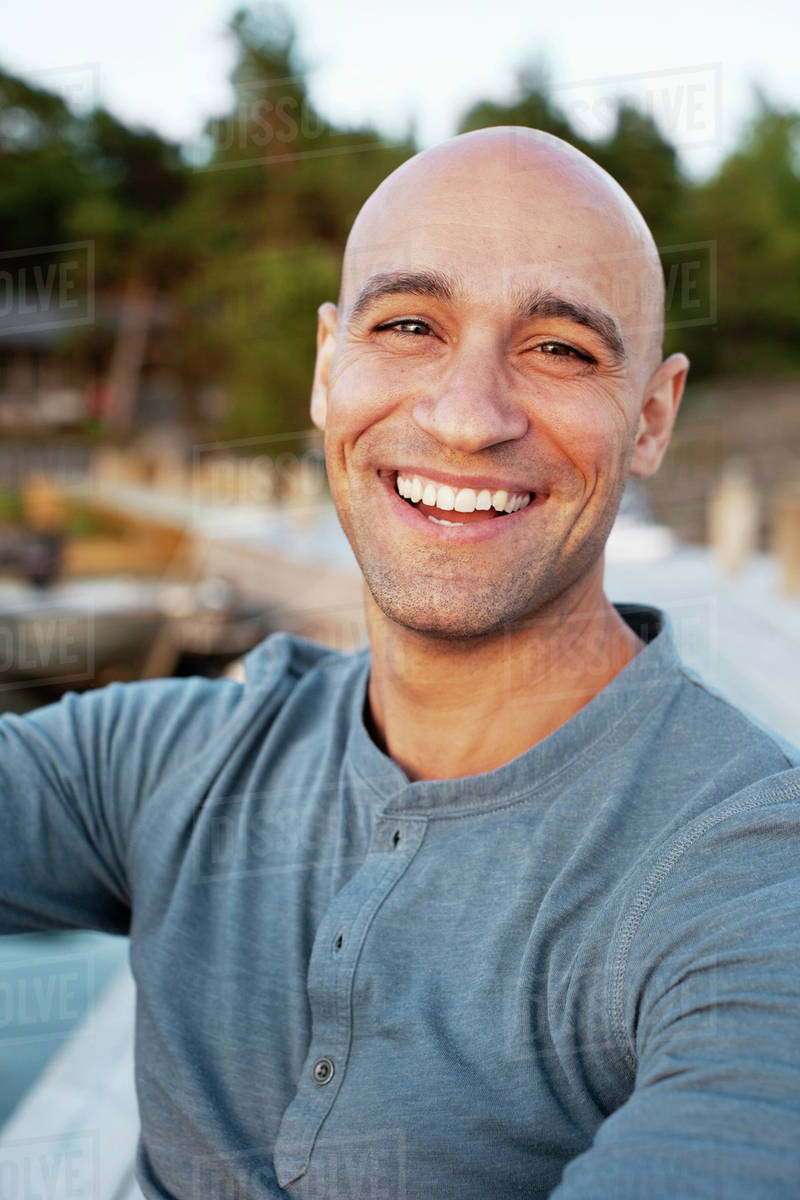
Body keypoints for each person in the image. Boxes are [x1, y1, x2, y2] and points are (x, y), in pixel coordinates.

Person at [1, 127, 798, 1199]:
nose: (466, 417)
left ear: (650, 416)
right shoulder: (153, 762)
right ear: (329, 368)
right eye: (409, 324)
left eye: (559, 346)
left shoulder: (747, 875)